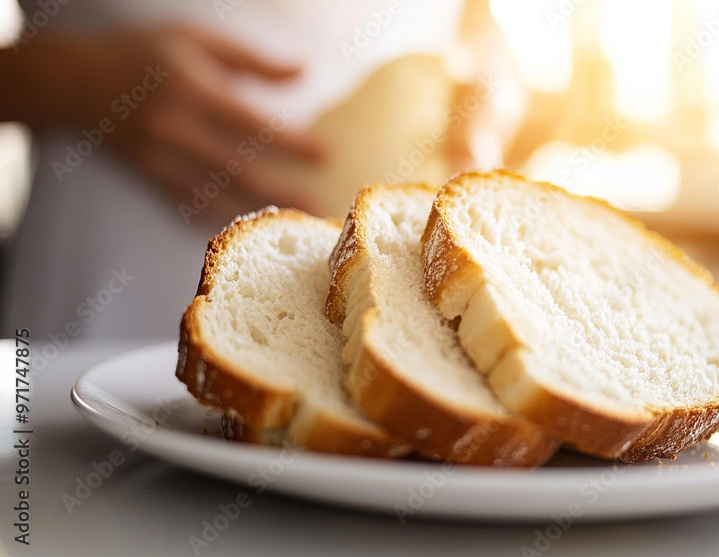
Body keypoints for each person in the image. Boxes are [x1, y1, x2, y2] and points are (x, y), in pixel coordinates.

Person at [0, 0, 465, 342]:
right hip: (99, 311)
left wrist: (488, 75)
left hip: (396, 329)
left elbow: (471, 21)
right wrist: (78, 81)